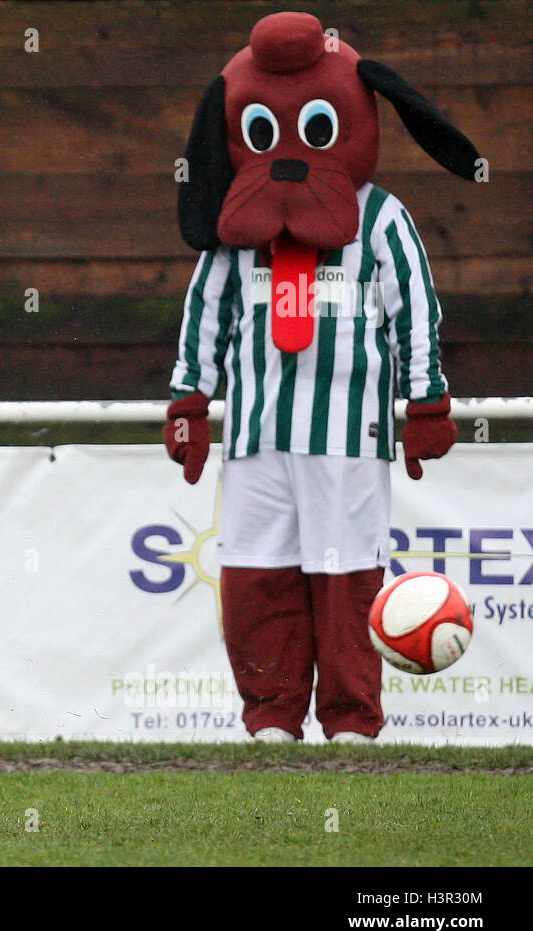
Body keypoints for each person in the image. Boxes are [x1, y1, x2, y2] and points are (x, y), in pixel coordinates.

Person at [164, 12, 473, 743]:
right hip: (258, 440)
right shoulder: (236, 230)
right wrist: (190, 401)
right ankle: (270, 718)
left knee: (346, 582)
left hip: (349, 438)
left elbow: (415, 314)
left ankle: (351, 722)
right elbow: (206, 315)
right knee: (253, 575)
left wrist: (425, 403)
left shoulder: (382, 220)